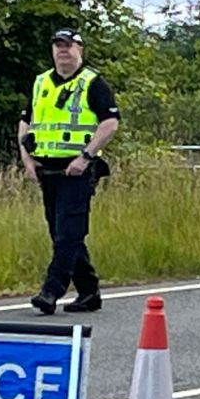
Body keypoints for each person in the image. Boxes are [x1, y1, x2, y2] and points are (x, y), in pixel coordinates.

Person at [18, 28, 119, 315]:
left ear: (79, 50)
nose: (63, 51)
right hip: (47, 169)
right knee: (58, 231)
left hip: (78, 169)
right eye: (58, 46)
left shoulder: (93, 83)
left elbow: (110, 123)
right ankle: (89, 291)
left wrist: (85, 157)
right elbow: (26, 122)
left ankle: (51, 290)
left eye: (69, 46)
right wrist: (27, 160)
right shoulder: (41, 83)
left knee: (69, 233)